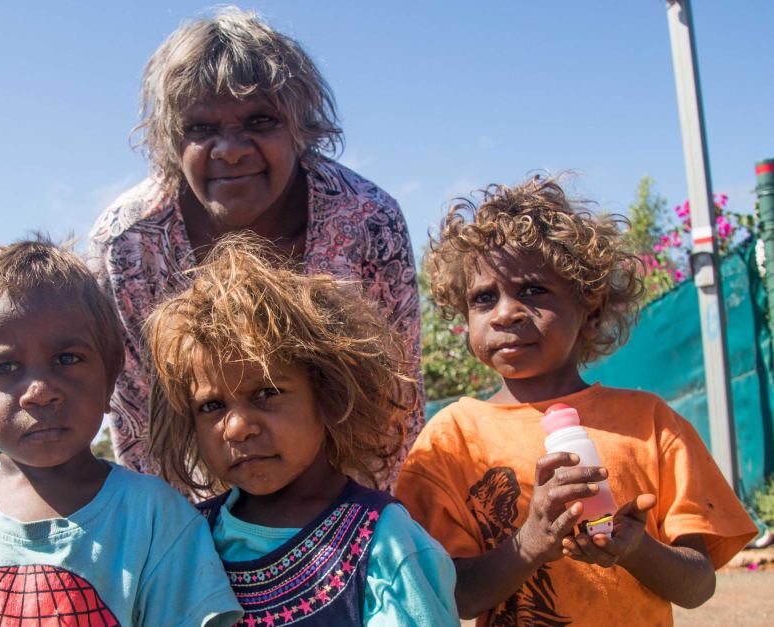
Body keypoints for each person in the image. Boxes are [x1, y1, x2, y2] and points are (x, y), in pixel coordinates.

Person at [394, 176, 758, 625]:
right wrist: (528, 544)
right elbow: (450, 597)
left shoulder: (649, 423)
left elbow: (698, 585)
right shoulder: (451, 440)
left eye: (532, 290)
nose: (506, 312)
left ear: (592, 311)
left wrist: (636, 549)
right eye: (484, 298)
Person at [88, 7, 422, 490]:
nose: (230, 149)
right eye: (201, 129)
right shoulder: (129, 243)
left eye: (260, 120)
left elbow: (395, 401)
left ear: (300, 128)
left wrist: (364, 530)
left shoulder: (367, 218)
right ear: (170, 139)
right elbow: (143, 425)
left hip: (342, 493)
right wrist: (184, 546)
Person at [0, 239, 242, 626]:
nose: (40, 391)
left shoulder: (156, 518)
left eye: (67, 359)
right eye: (4, 368)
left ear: (110, 381)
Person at [143, 234, 460, 626]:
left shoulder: (383, 543)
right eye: (212, 406)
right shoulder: (186, 541)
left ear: (329, 395)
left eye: (266, 393)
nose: (238, 427)